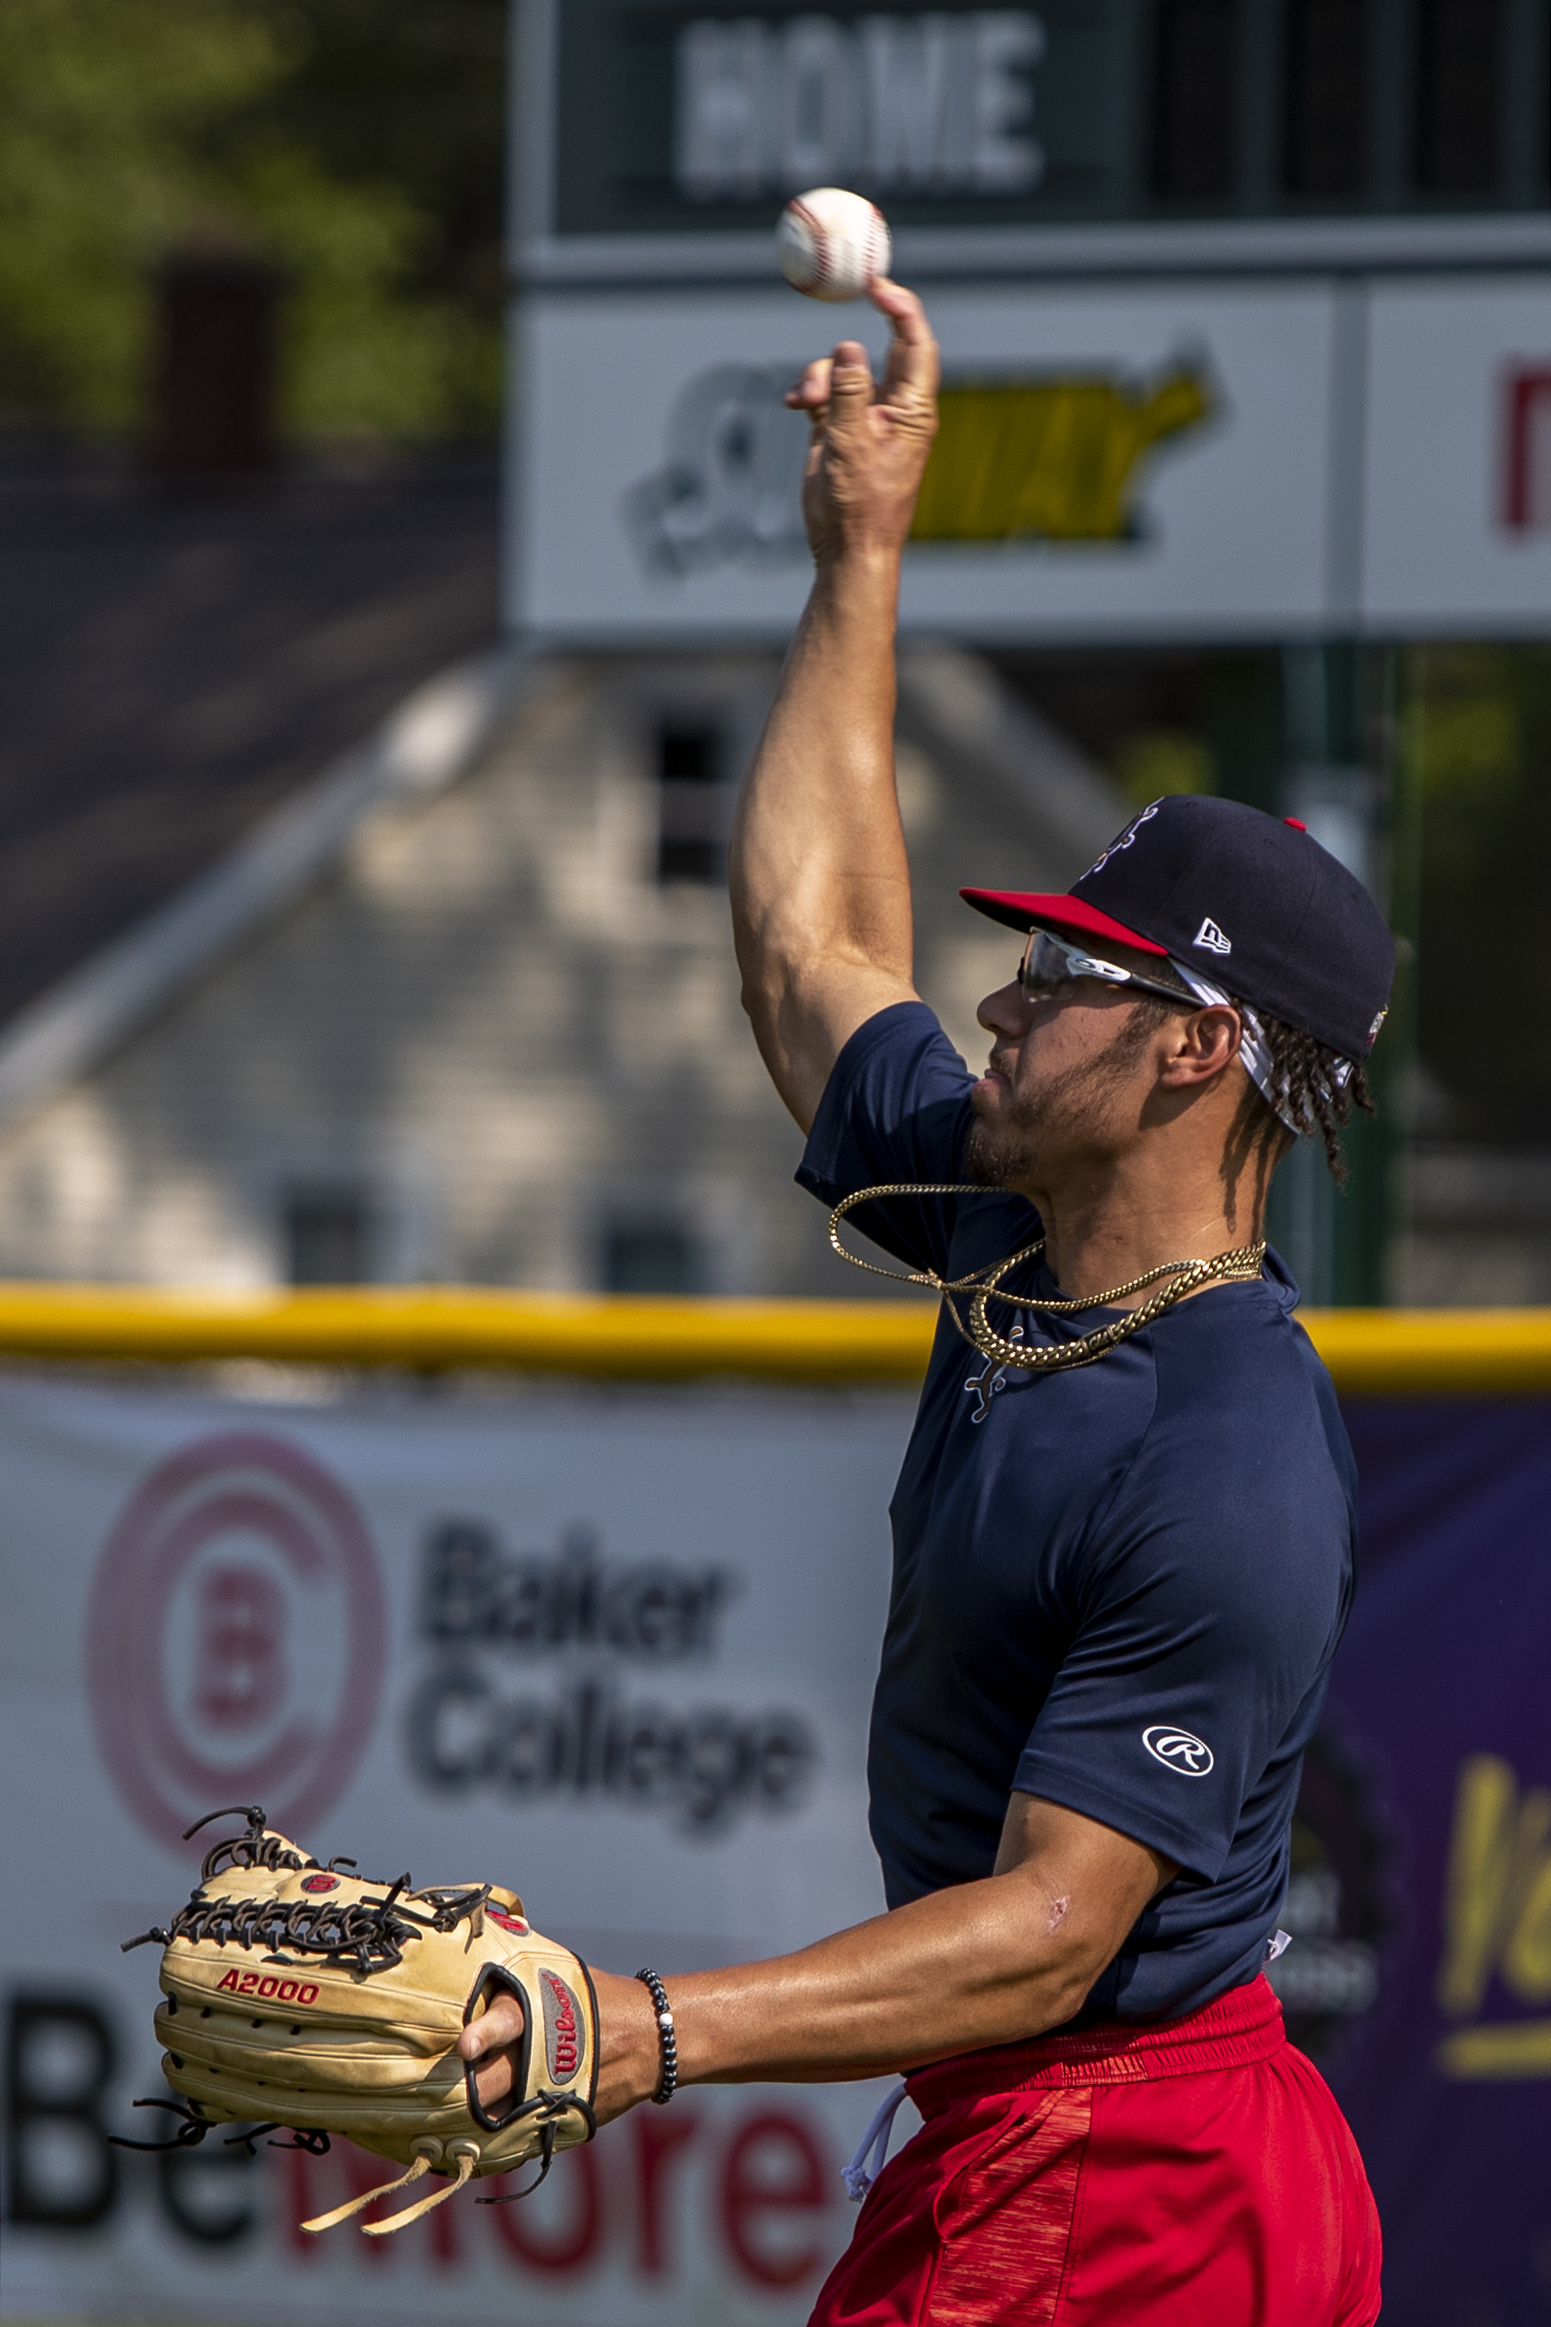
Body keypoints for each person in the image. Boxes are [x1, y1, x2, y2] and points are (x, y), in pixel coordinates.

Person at [459, 280, 1390, 2325]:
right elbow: (810, 950)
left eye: (1065, 976)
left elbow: (1053, 1929)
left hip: (1127, 2174)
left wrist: (645, 2028)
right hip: (1063, 2144)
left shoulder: (1225, 1463)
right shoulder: (1007, 1216)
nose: (1005, 998)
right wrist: (859, 556)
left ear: (1191, 1050)